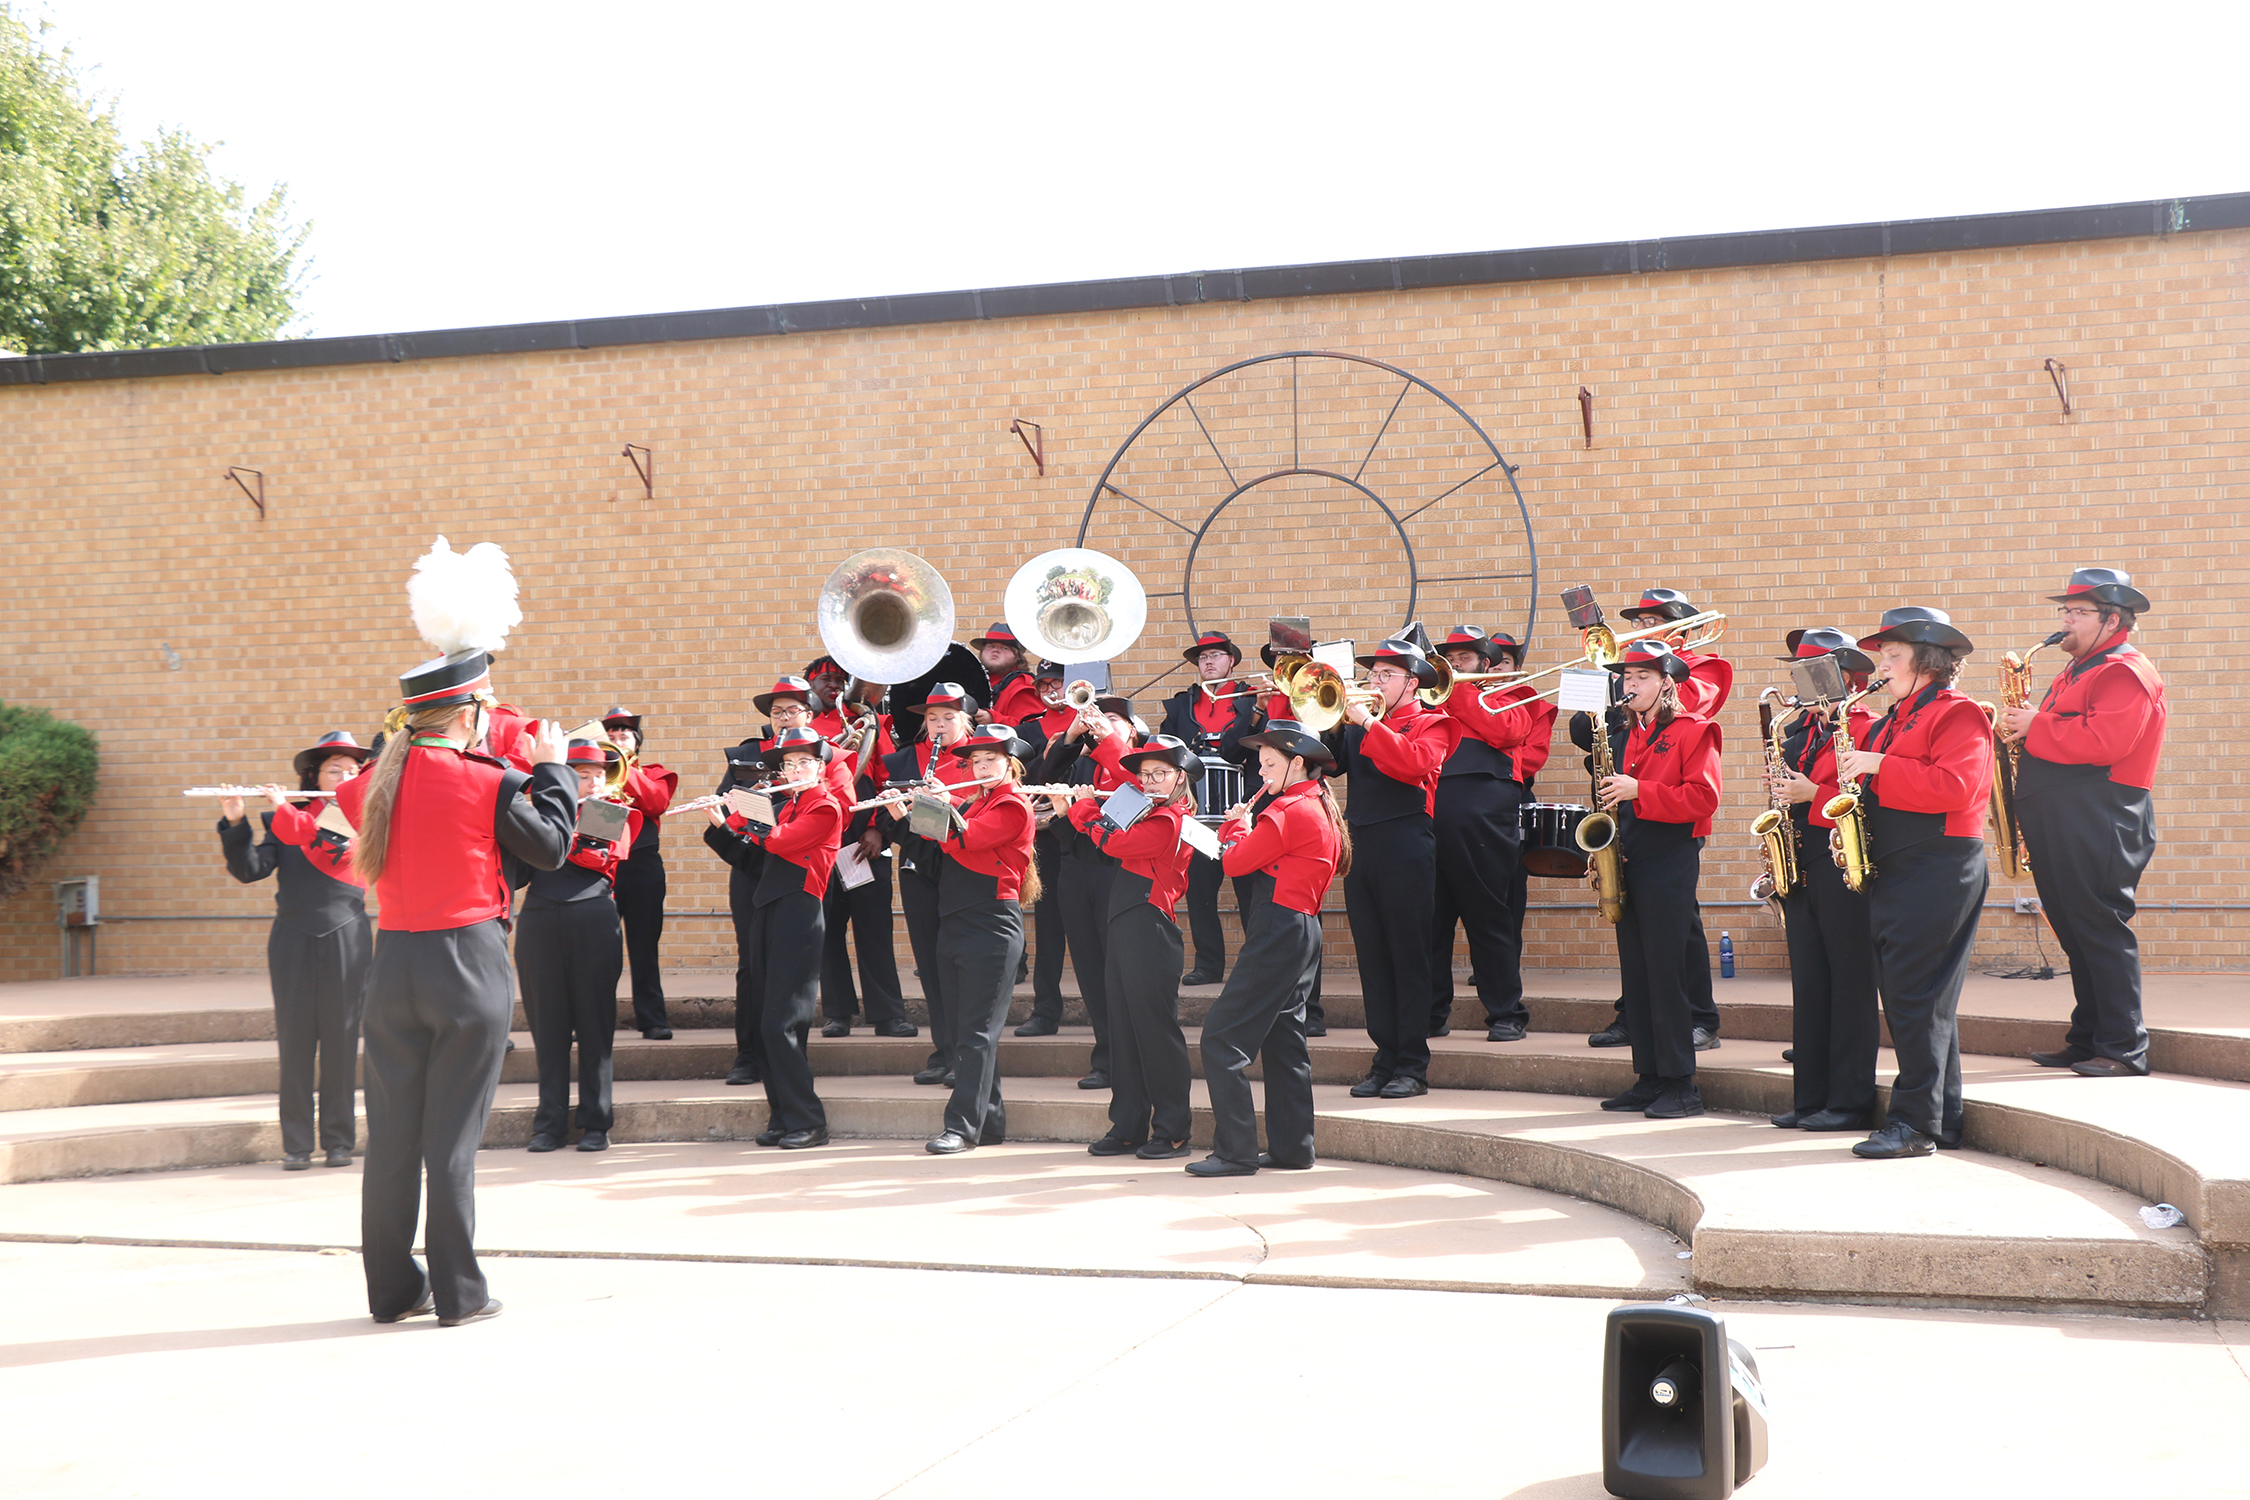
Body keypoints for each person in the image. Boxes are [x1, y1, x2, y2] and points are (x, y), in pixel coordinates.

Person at [336, 637, 577, 1328]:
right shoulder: (487, 778)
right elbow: (552, 848)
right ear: (469, 711)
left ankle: (391, 1289)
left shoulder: (370, 780)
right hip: (466, 964)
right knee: (450, 1142)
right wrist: (553, 770)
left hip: (393, 967)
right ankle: (459, 1293)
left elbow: (367, 813)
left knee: (391, 1142)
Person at [1838, 606, 1993, 1159]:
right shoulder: (1893, 717)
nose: (1882, 665)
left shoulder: (1958, 714)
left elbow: (1955, 787)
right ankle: (1940, 1118)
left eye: (1893, 655)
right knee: (1914, 998)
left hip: (1939, 864)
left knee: (1916, 999)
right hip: (1902, 865)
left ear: (1926, 661)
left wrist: (1877, 765)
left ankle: (1912, 1125)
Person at [2001, 569, 2169, 1078]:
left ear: (2112, 619)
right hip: (2068, 815)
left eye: (2077, 613)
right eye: (2064, 611)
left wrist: (2037, 724)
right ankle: (2088, 1038)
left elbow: (2105, 743)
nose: (2065, 621)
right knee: (2076, 932)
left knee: (2098, 928)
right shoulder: (2078, 670)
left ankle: (2123, 1048)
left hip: (2101, 815)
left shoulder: (2122, 670)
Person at [1190, 719, 1347, 1177]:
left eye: (1269, 764)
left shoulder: (1288, 811)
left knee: (1220, 1039)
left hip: (1280, 929)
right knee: (1283, 1041)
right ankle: (1293, 1147)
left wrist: (1236, 829)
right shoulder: (1313, 805)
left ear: (1297, 764)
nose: (1261, 772)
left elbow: (1236, 863)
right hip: (1299, 929)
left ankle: (1235, 1151)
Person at [216, 730, 373, 1170]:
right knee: (296, 1042)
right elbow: (250, 870)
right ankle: (297, 1145)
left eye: (352, 769)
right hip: (292, 938)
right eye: (334, 769)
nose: (344, 775)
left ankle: (339, 1141)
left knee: (343, 1041)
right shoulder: (284, 821)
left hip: (347, 934)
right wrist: (235, 822)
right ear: (313, 776)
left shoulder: (367, 818)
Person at [1580, 641, 1722, 1120]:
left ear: (1667, 682)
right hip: (1628, 855)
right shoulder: (1620, 735)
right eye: (1627, 677)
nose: (1630, 685)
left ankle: (1682, 1085)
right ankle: (1649, 1078)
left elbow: (1703, 799)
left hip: (1669, 858)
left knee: (1665, 972)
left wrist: (1641, 790)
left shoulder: (1695, 730)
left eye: (1642, 677)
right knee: (1637, 973)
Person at [881, 725, 1038, 1153]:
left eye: (991, 760)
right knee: (966, 1027)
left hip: (990, 923)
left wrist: (928, 806)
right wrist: (907, 816)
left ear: (1010, 763)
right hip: (957, 919)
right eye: (976, 761)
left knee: (976, 1031)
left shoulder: (1012, 804)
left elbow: (965, 836)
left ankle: (962, 1127)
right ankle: (990, 1122)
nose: (982, 767)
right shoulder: (977, 801)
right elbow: (937, 851)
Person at [1047, 734, 1200, 1160]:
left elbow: (1114, 842)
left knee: (1155, 1032)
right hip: (1125, 920)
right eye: (1145, 774)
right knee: (1123, 1029)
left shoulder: (1171, 818)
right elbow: (1107, 822)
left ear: (1179, 777)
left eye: (1160, 774)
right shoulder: (1143, 805)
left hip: (1150, 926)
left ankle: (1173, 1129)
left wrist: (1078, 807)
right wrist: (1079, 807)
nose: (1150, 781)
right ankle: (1128, 1124)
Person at [1325, 637, 1459, 1100]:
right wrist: (1323, 718)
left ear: (1413, 682)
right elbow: (1330, 764)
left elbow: (1413, 763)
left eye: (1385, 675)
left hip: (1406, 840)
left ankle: (1412, 1064)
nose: (1375, 682)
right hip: (1362, 841)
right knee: (1373, 957)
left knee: (1408, 953)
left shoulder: (1434, 722)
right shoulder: (1364, 723)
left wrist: (1365, 722)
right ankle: (1384, 1059)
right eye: (1373, 674)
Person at [706, 727, 845, 1148]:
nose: (795, 769)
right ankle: (783, 1116)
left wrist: (751, 810)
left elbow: (783, 842)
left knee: (782, 1022)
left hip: (799, 912)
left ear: (820, 768)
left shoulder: (825, 806)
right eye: (788, 763)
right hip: (768, 908)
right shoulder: (786, 808)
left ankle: (808, 1120)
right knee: (766, 1022)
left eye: (804, 762)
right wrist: (720, 824)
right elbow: (749, 858)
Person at [1766, 630, 1880, 1131]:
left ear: (1844, 679)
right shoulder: (1799, 734)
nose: (1801, 685)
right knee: (1811, 982)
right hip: (1804, 862)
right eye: (1799, 673)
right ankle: (1810, 1096)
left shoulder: (1868, 726)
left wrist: (1811, 792)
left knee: (1850, 983)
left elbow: (1867, 798)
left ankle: (1850, 1100)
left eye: (1813, 673)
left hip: (1844, 862)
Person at [1428, 626, 1551, 1043]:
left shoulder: (1508, 695)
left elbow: (1508, 732)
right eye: (1450, 657)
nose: (1455, 664)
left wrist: (1457, 690)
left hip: (1484, 814)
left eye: (1464, 658)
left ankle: (1505, 1012)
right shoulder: (1432, 699)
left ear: (1483, 663)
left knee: (1489, 917)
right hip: (1432, 813)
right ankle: (1430, 1012)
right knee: (1431, 922)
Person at [519, 740, 641, 1153]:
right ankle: (549, 1124)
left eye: (596, 775)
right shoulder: (538, 812)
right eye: (580, 774)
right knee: (547, 1027)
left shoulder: (610, 811)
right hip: (538, 918)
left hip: (592, 918)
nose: (591, 782)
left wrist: (557, 829)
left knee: (595, 1024)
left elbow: (595, 858)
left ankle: (595, 1122)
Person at [706, 675, 816, 1086]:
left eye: (792, 710)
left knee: (789, 969)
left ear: (809, 714)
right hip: (750, 866)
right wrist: (735, 808)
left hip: (790, 870)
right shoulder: (748, 755)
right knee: (751, 966)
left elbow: (829, 806)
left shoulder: (820, 758)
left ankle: (790, 1059)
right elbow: (728, 803)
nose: (784, 718)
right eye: (777, 712)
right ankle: (748, 1055)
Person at [1034, 690, 1138, 1089]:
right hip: (1075, 869)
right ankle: (1106, 1057)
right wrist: (1070, 736)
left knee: (1119, 970)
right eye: (1097, 721)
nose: (1101, 727)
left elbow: (1123, 814)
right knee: (1090, 970)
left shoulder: (1140, 764)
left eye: (1112, 722)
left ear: (1129, 729)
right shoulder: (1082, 764)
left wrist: (1077, 811)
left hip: (1116, 871)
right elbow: (1045, 779)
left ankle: (1129, 1056)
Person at [880, 682, 981, 1085]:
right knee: (931, 962)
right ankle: (943, 1049)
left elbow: (979, 812)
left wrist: (940, 808)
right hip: (919, 868)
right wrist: (910, 818)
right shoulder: (905, 759)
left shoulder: (981, 757)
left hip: (965, 868)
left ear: (965, 720)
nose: (939, 725)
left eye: (949, 718)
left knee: (962, 964)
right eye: (932, 718)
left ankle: (965, 1054)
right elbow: (886, 819)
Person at [804, 666, 910, 1040]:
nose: (832, 686)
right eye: (823, 681)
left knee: (875, 931)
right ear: (810, 687)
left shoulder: (868, 721)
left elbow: (886, 780)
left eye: (838, 680)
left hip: (864, 842)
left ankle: (888, 1015)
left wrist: (878, 828)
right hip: (818, 847)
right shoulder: (800, 730)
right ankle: (837, 1014)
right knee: (826, 933)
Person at [1159, 630, 1263, 987]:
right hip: (1198, 818)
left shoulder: (1252, 700)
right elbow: (1167, 752)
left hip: (1242, 813)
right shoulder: (1180, 705)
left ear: (1231, 660)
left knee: (1250, 892)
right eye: (1202, 657)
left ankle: (1255, 966)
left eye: (1216, 655)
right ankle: (1208, 965)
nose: (1208, 661)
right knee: (1201, 892)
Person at [600, 706, 677, 1040]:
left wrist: (623, 767)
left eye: (624, 736)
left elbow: (655, 803)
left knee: (645, 946)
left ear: (637, 741)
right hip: (605, 866)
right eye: (611, 737)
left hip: (643, 865)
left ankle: (653, 1019)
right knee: (602, 950)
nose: (618, 740)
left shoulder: (655, 773)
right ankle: (594, 1019)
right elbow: (596, 829)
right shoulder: (593, 779)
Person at [1013, 661, 1074, 1035]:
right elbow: (1027, 777)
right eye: (1044, 685)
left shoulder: (1093, 725)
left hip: (1085, 835)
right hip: (1046, 836)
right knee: (1049, 927)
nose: (1050, 690)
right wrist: (1053, 752)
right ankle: (1045, 1010)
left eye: (1058, 683)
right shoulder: (1027, 730)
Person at [969, 622, 1049, 727]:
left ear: (1017, 657)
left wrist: (994, 719)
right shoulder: (974, 682)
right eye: (990, 646)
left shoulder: (1022, 685)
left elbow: (1032, 728)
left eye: (1004, 648)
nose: (995, 650)